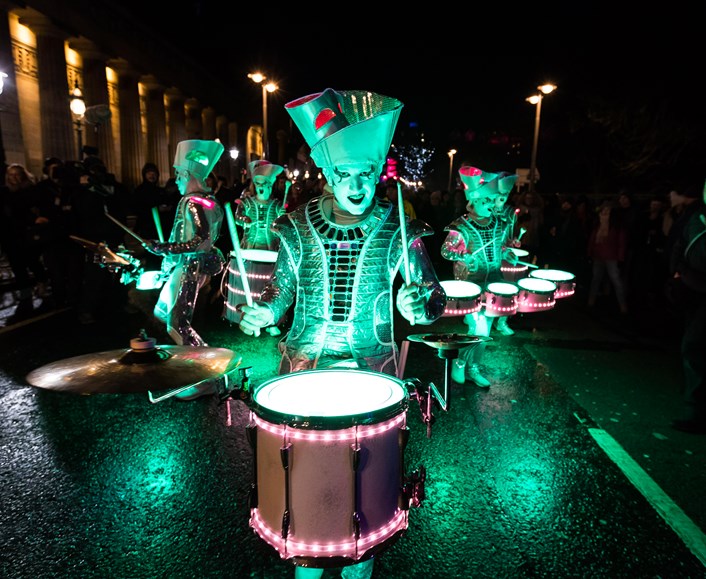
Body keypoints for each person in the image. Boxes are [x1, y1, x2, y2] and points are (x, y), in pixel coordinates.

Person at [238, 88, 446, 579]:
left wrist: (417, 304)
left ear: (379, 174)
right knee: (304, 504)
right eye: (344, 174)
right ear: (328, 175)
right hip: (302, 374)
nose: (356, 184)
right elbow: (281, 294)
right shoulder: (292, 227)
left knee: (364, 509)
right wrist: (263, 313)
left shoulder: (400, 229)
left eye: (366, 174)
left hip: (371, 376)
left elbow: (434, 297)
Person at [141, 139, 225, 372]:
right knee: (163, 313)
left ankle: (206, 370)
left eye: (178, 174)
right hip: (190, 266)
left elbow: (198, 239)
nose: (176, 180)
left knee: (177, 324)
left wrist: (163, 248)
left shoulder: (191, 202)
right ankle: (195, 365)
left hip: (189, 266)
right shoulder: (209, 201)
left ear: (188, 174)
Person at [441, 166, 519, 387]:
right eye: (485, 201)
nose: (490, 205)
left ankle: (464, 364)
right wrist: (464, 256)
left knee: (482, 329)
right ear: (473, 202)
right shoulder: (461, 226)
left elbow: (500, 248)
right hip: (471, 284)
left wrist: (508, 253)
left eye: (491, 201)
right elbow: (446, 250)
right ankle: (467, 366)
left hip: (494, 282)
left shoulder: (499, 224)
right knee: (479, 328)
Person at [224, 160, 286, 335]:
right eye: (258, 183)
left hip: (270, 250)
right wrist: (244, 220)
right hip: (249, 248)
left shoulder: (276, 205)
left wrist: (282, 217)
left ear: (270, 185)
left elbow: (282, 224)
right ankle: (244, 317)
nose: (261, 187)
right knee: (249, 285)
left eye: (265, 184)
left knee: (269, 285)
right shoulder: (247, 203)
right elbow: (238, 217)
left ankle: (272, 320)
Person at [666, 181, 706, 434]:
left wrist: (682, 270)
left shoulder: (697, 217)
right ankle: (697, 410)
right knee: (694, 345)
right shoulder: (694, 216)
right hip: (695, 289)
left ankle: (699, 412)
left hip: (700, 288)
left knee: (694, 346)